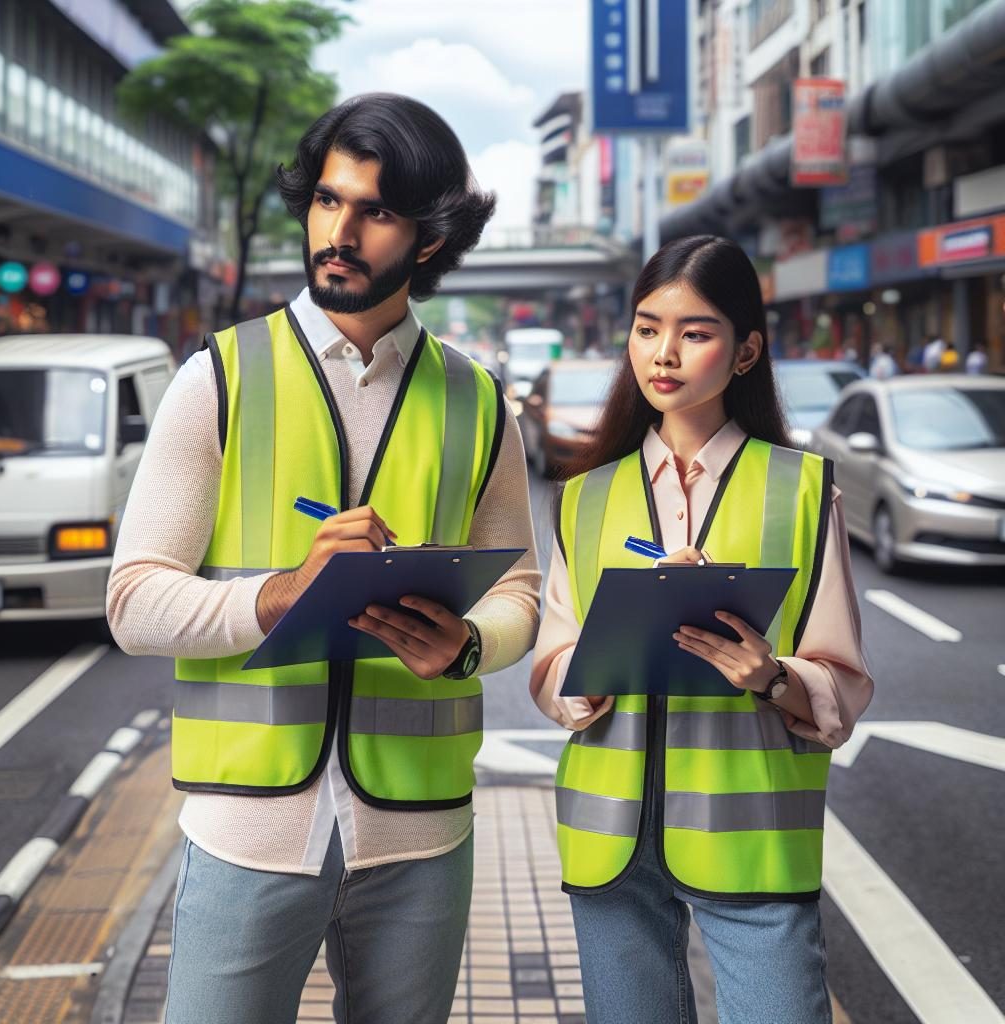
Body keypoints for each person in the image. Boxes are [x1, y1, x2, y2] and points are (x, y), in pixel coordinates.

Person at [107, 94, 542, 1024]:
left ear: (428, 239)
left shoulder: (480, 404)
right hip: (245, 829)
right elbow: (133, 601)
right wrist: (277, 596)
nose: (339, 231)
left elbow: (520, 592)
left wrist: (468, 645)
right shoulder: (217, 378)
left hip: (422, 830)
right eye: (327, 201)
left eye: (375, 211)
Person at [530, 235, 873, 1024]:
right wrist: (601, 658)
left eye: (696, 332)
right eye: (648, 328)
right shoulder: (583, 497)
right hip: (607, 838)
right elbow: (551, 672)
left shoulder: (803, 489)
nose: (665, 353)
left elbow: (843, 681)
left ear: (746, 349)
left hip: (750, 834)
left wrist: (773, 677)